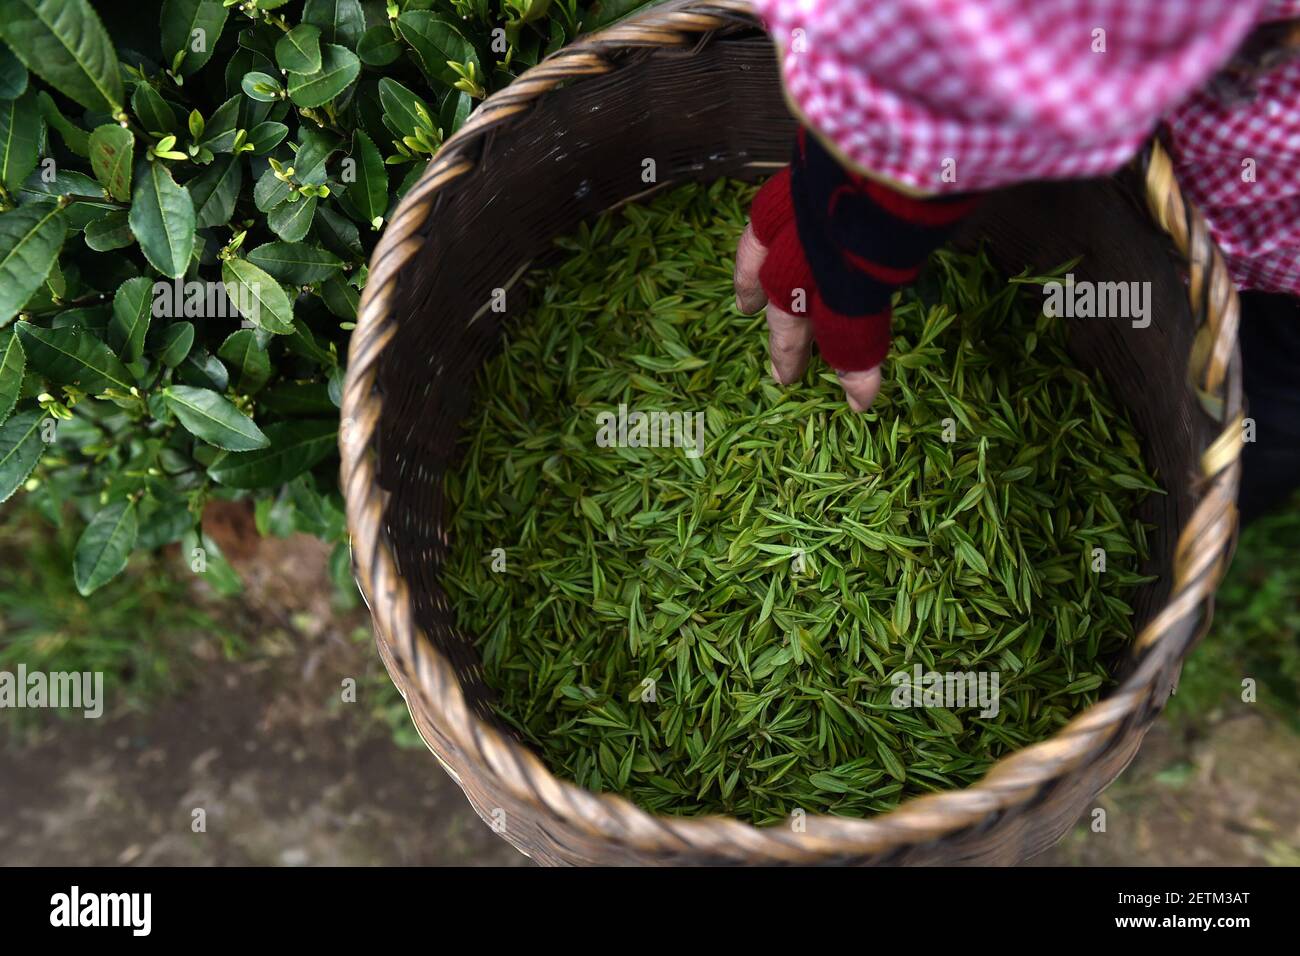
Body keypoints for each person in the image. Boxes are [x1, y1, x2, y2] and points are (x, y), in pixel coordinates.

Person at [733, 0, 1300, 523]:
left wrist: (865, 195)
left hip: (1279, 224)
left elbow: (998, 38)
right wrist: (845, 177)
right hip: (1197, 150)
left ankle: (1212, 509)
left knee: (1262, 414)